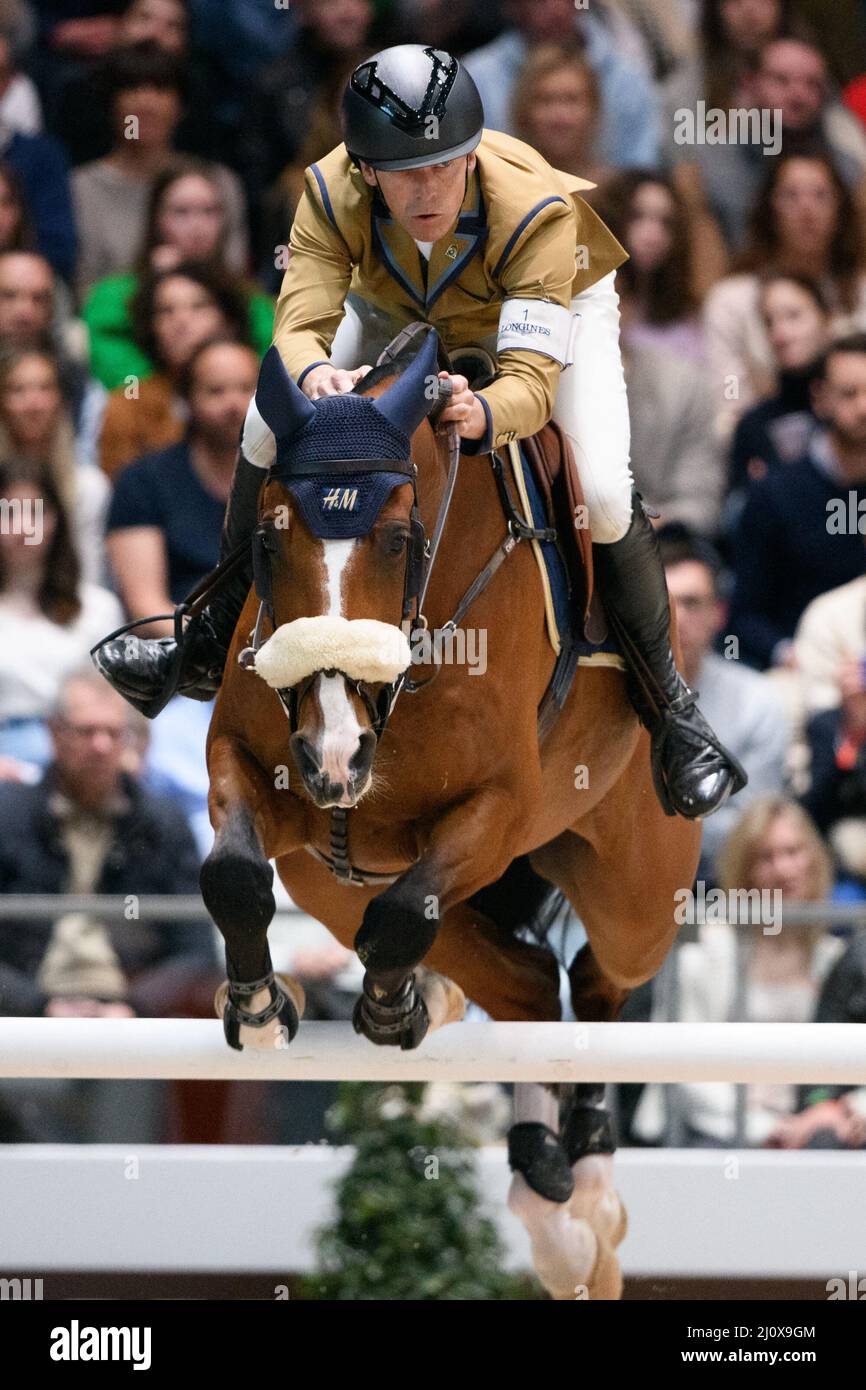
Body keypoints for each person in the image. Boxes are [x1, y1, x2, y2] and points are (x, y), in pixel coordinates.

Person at [94, 44, 746, 822]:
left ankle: (673, 713)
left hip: (549, 308)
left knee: (602, 492)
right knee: (269, 419)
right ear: (367, 171)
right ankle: (203, 636)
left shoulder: (537, 212)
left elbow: (532, 383)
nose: (429, 187)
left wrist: (487, 411)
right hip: (395, 305)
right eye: (405, 173)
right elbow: (297, 327)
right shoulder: (329, 193)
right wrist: (311, 378)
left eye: (447, 165)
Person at [632, 796, 845, 1147]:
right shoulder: (708, 949)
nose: (783, 869)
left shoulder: (834, 956)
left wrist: (829, 1115)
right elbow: (683, 1063)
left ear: (814, 859)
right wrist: (764, 1129)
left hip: (811, 1131)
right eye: (766, 857)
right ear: (744, 871)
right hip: (716, 1129)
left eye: (793, 852)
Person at [704, 151, 866, 442]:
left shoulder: (862, 292)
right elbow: (727, 411)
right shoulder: (731, 300)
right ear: (769, 207)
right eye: (790, 195)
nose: (807, 209)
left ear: (841, 207)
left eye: (821, 195)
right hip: (762, 451)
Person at [729, 333, 866, 671]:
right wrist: (793, 655)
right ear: (820, 398)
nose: (864, 407)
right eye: (849, 394)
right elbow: (743, 617)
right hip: (800, 668)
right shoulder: (774, 495)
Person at [659, 527, 789, 880]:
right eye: (666, 604)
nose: (679, 618)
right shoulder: (611, 695)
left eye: (692, 602)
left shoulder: (757, 700)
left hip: (727, 879)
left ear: (719, 613)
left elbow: (753, 820)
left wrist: (652, 830)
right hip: (621, 875)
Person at [71, 41, 249, 297]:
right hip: (114, 325)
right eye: (132, 87)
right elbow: (85, 290)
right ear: (110, 103)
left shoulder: (218, 183)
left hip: (212, 322)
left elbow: (235, 282)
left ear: (181, 107)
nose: (147, 102)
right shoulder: (83, 188)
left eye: (161, 88)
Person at [83, 158, 274, 391]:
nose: (197, 226)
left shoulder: (248, 297)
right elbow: (117, 368)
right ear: (156, 219)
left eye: (209, 211)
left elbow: (268, 365)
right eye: (181, 212)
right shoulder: (115, 294)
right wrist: (153, 288)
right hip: (152, 415)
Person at [105, 336, 259, 620]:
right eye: (216, 391)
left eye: (246, 388)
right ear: (187, 398)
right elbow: (145, 604)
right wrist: (216, 646)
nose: (234, 404)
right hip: (182, 645)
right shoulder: (143, 481)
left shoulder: (286, 477)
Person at [0, 459, 122, 766]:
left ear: (56, 520)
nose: (23, 528)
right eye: (9, 513)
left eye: (35, 513)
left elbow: (117, 703)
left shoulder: (99, 609)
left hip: (87, 757)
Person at [97, 261, 252, 478]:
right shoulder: (128, 406)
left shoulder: (264, 392)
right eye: (166, 311)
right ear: (151, 326)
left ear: (228, 318)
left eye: (198, 306)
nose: (181, 321)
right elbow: (126, 496)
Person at [462, 0, 660, 169]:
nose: (556, 8)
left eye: (571, 100)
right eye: (541, 0)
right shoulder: (475, 77)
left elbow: (639, 175)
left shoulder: (628, 77)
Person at [0, 344, 110, 582]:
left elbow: (89, 581)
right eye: (18, 390)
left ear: (60, 398)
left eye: (44, 388)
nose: (33, 403)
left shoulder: (88, 486)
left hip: (64, 608)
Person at [598, 169, 718, 361]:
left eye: (665, 223)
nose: (653, 235)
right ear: (614, 219)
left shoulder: (682, 313)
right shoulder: (587, 301)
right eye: (638, 217)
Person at [729, 272, 831, 493]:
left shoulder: (854, 405)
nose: (781, 334)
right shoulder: (752, 426)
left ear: (827, 319)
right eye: (769, 322)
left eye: (793, 316)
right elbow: (734, 514)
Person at [511, 42, 613, 201]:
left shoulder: (615, 194)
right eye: (546, 101)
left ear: (593, 109)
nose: (559, 117)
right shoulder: (502, 189)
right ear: (524, 111)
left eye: (571, 100)